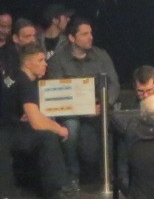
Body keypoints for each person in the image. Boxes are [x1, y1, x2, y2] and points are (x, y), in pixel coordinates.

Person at [47, 16, 122, 186]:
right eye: (85, 34)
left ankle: (103, 176)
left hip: (96, 110)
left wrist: (103, 104)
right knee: (71, 128)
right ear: (72, 38)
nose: (91, 37)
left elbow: (114, 84)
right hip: (70, 111)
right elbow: (55, 91)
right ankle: (72, 174)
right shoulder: (58, 59)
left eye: (91, 33)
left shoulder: (101, 55)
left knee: (90, 149)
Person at [2, 43, 77, 199]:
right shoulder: (25, 83)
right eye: (41, 60)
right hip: (8, 136)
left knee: (48, 129)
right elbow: (36, 122)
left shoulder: (15, 76)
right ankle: (56, 192)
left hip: (7, 131)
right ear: (28, 64)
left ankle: (62, 184)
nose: (46, 64)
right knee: (48, 137)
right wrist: (60, 129)